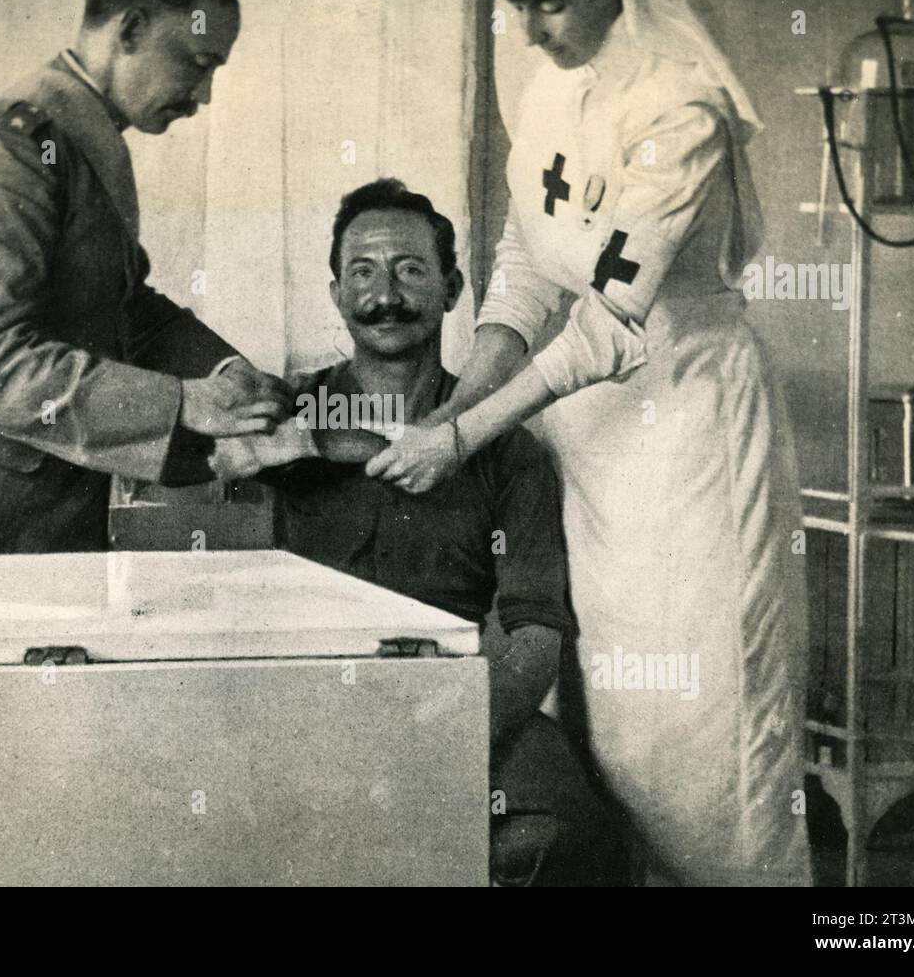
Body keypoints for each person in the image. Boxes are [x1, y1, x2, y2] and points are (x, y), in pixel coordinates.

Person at [366, 0, 811, 885]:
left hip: (691, 436)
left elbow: (609, 322)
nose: (529, 28)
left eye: (552, 1)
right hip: (589, 447)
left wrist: (462, 434)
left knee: (703, 744)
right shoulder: (548, 85)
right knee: (608, 737)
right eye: (513, 3)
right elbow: (529, 264)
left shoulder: (680, 102)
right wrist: (456, 406)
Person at [213, 179, 627, 886]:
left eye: (410, 270)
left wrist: (455, 737)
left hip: (449, 704)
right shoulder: (286, 409)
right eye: (363, 273)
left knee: (573, 834)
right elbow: (219, 463)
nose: (386, 296)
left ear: (452, 289)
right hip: (303, 703)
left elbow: (536, 634)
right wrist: (286, 441)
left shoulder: (505, 448)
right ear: (337, 292)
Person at [0, 0, 291, 557]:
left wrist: (224, 373)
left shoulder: (78, 141)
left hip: (40, 519)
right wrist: (181, 402)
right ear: (132, 29)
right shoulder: (11, 150)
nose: (203, 96)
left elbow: (121, 303)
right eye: (198, 63)